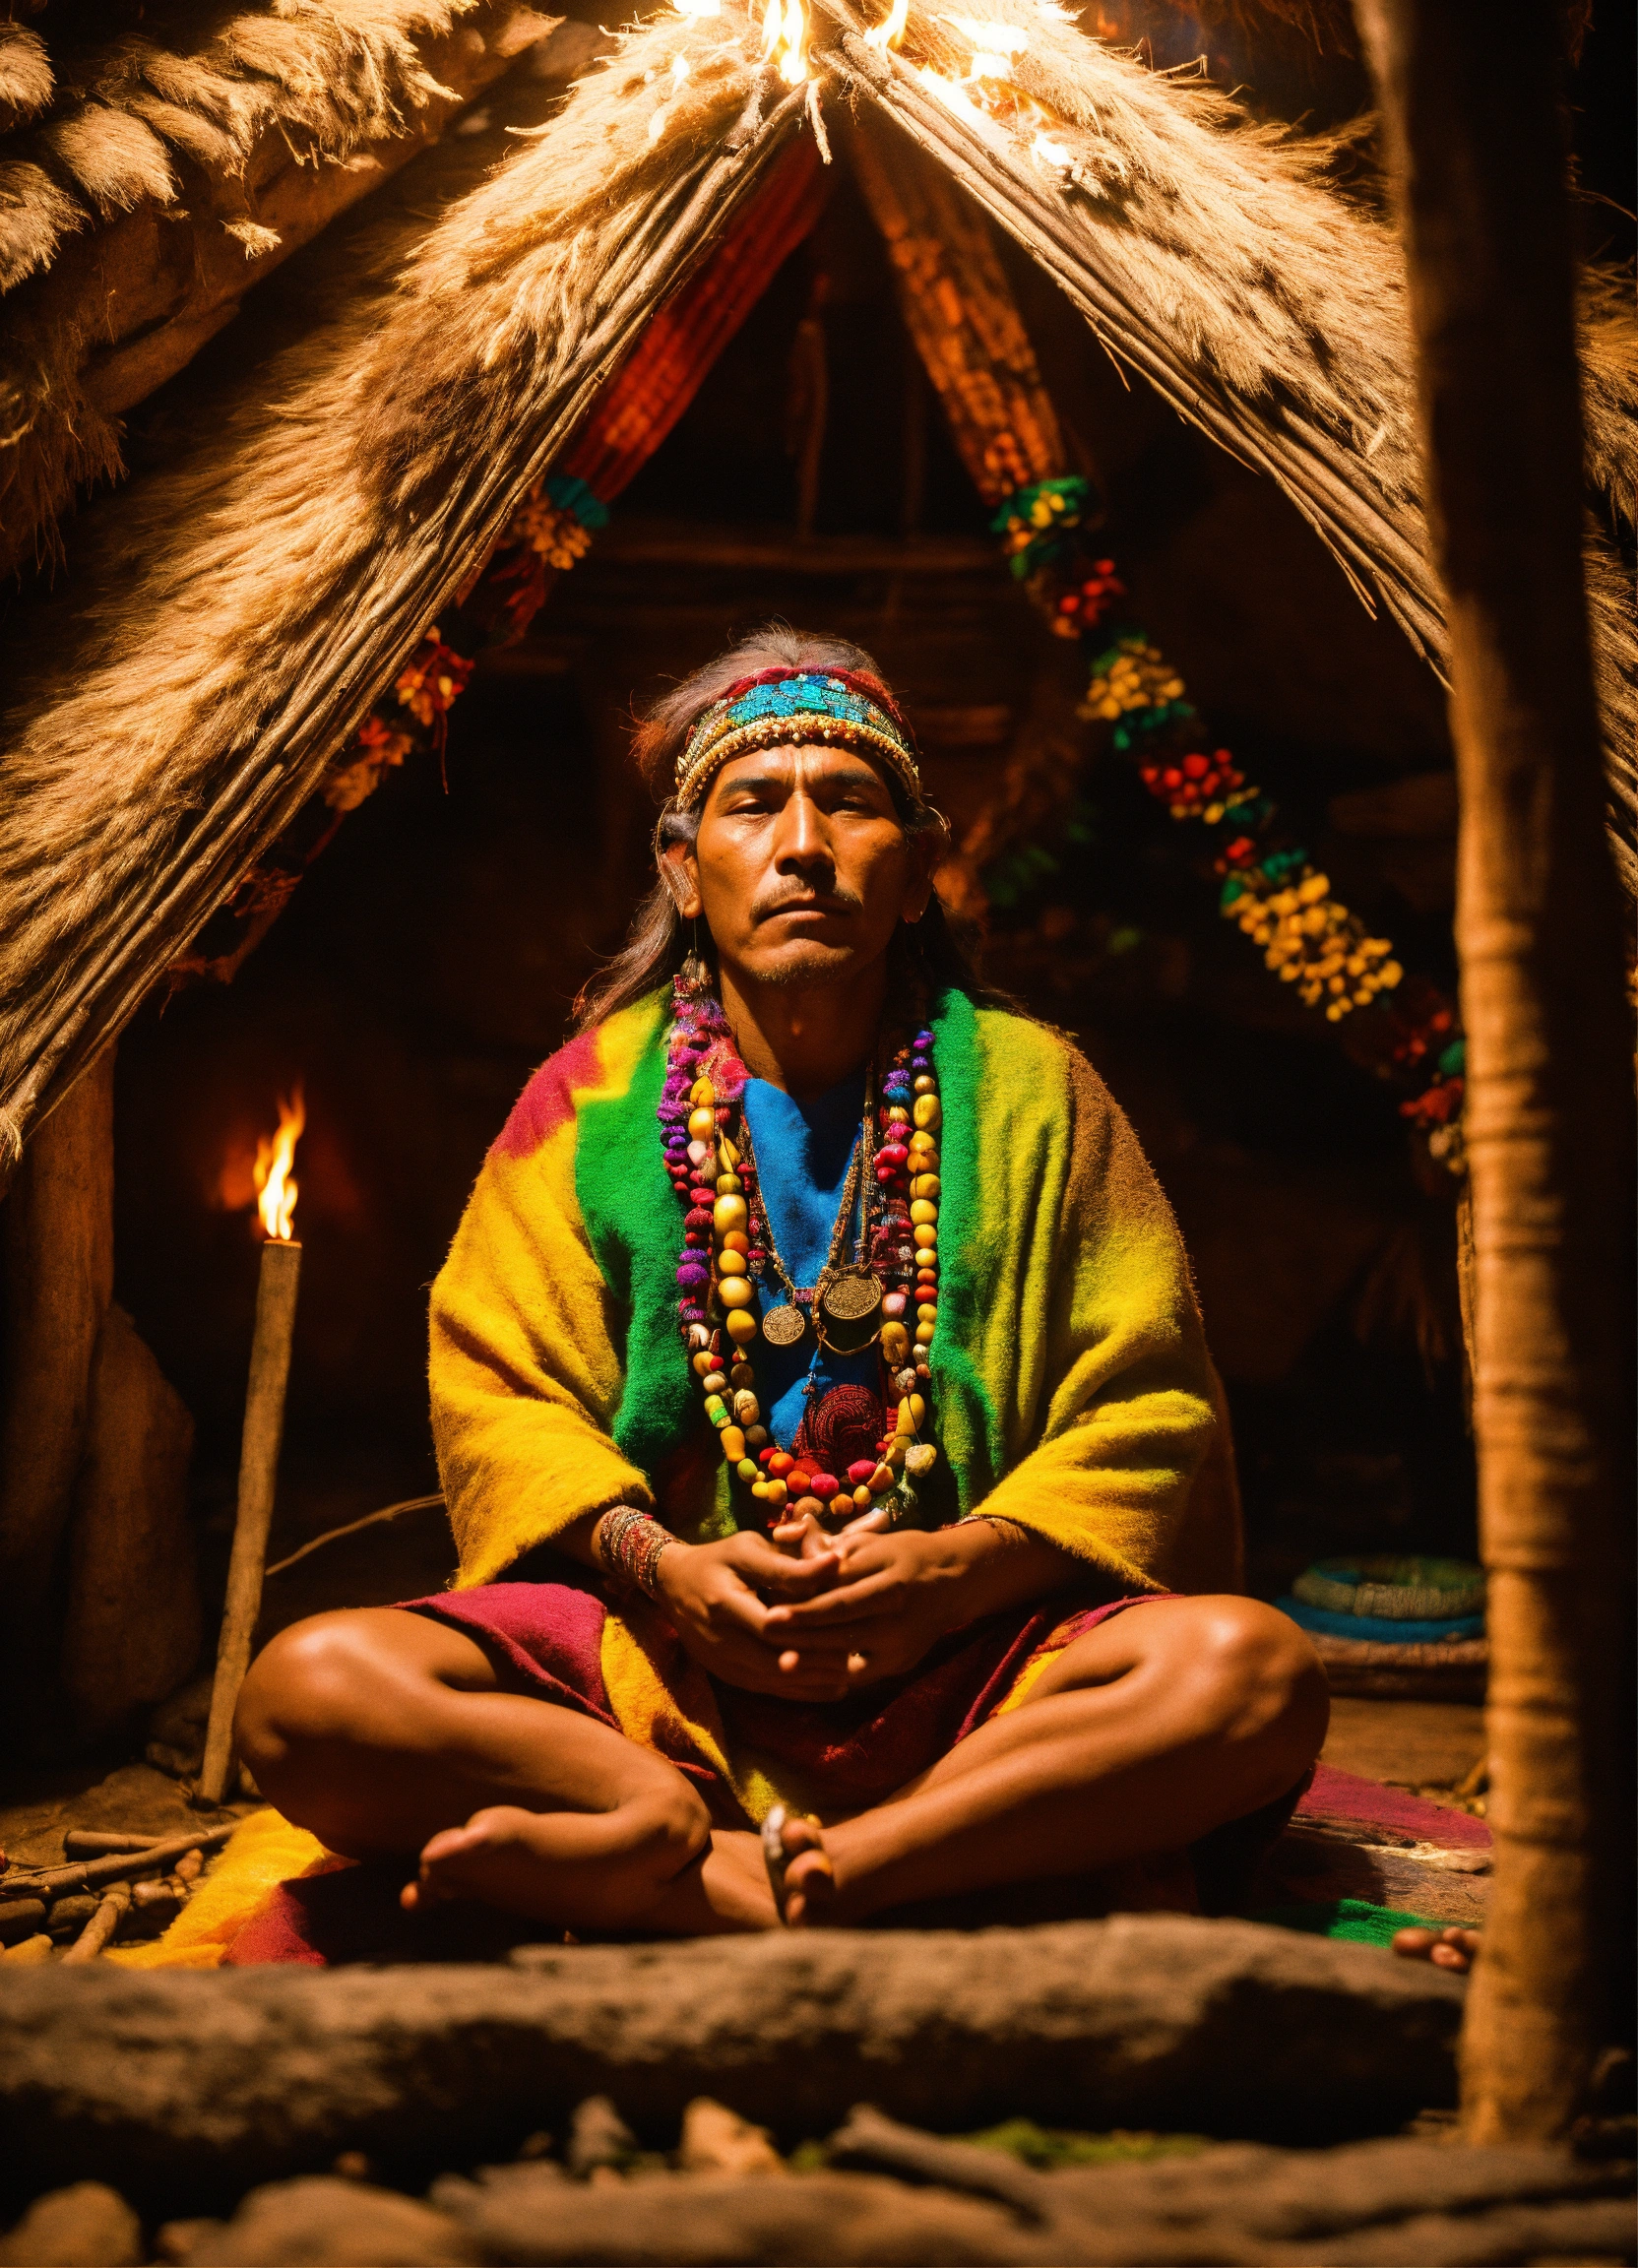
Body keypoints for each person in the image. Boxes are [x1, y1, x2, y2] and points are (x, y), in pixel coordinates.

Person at [238, 625, 1329, 1935]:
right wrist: (664, 1569)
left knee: (1251, 1672)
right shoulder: (588, 1102)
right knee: (307, 1692)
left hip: (973, 1669)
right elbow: (500, 1399)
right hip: (662, 1665)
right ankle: (710, 1831)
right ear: (683, 871)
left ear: (917, 873)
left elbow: (1146, 1408)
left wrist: (950, 1577)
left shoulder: (1036, 1093)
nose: (802, 845)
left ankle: (775, 1877)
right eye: (754, 804)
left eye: (850, 803)